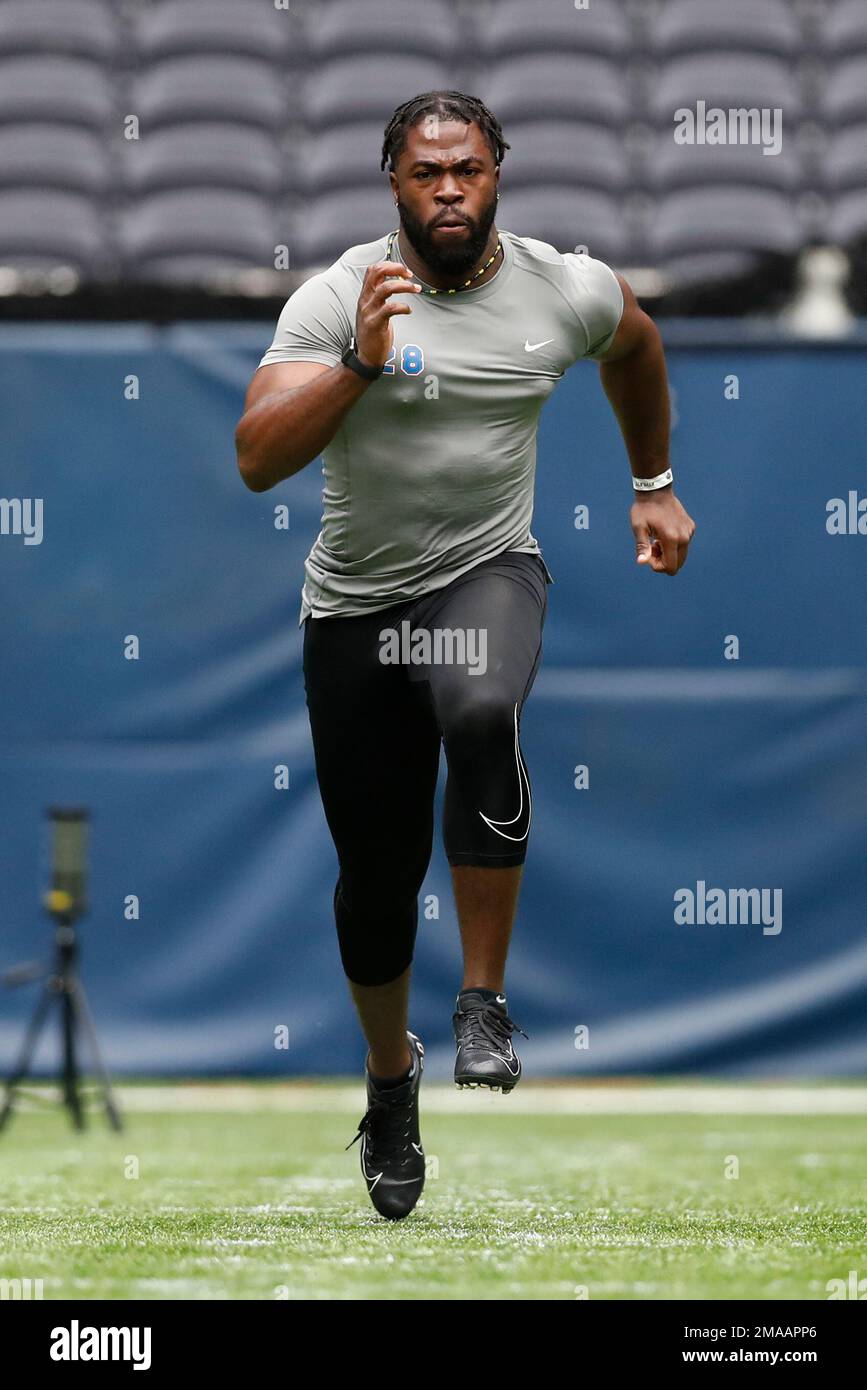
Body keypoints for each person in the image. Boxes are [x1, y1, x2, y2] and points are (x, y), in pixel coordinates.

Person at [235, 90, 696, 1220]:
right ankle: (391, 1082)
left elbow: (635, 345)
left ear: (500, 174)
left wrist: (652, 483)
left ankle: (482, 1003)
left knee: (483, 704)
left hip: (491, 569)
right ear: (391, 181)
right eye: (426, 172)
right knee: (377, 886)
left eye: (470, 169)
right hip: (355, 612)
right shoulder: (341, 295)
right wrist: (357, 365)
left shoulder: (564, 287)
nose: (450, 189)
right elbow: (254, 458)